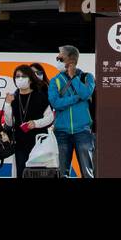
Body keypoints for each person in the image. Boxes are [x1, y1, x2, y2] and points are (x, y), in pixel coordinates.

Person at [47, 45, 95, 178]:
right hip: (61, 132)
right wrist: (76, 98)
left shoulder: (87, 77)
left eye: (59, 57)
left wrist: (74, 78)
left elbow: (85, 94)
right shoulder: (54, 81)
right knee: (62, 173)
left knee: (87, 172)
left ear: (71, 60)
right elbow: (55, 103)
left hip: (83, 131)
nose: (57, 60)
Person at [3, 64, 53, 177]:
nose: (19, 79)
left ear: (30, 79)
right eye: (17, 76)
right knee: (21, 171)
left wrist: (36, 123)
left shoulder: (40, 96)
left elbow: (50, 117)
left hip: (38, 142)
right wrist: (7, 104)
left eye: (23, 76)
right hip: (20, 142)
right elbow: (9, 122)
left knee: (37, 173)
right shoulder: (14, 97)